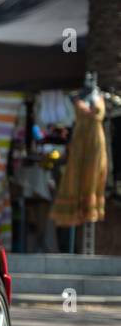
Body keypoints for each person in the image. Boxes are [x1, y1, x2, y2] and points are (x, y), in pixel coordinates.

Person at [51, 76, 108, 233]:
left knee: (94, 175)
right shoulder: (75, 96)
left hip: (96, 141)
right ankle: (74, 212)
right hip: (79, 140)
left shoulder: (101, 96)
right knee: (75, 175)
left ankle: (90, 210)